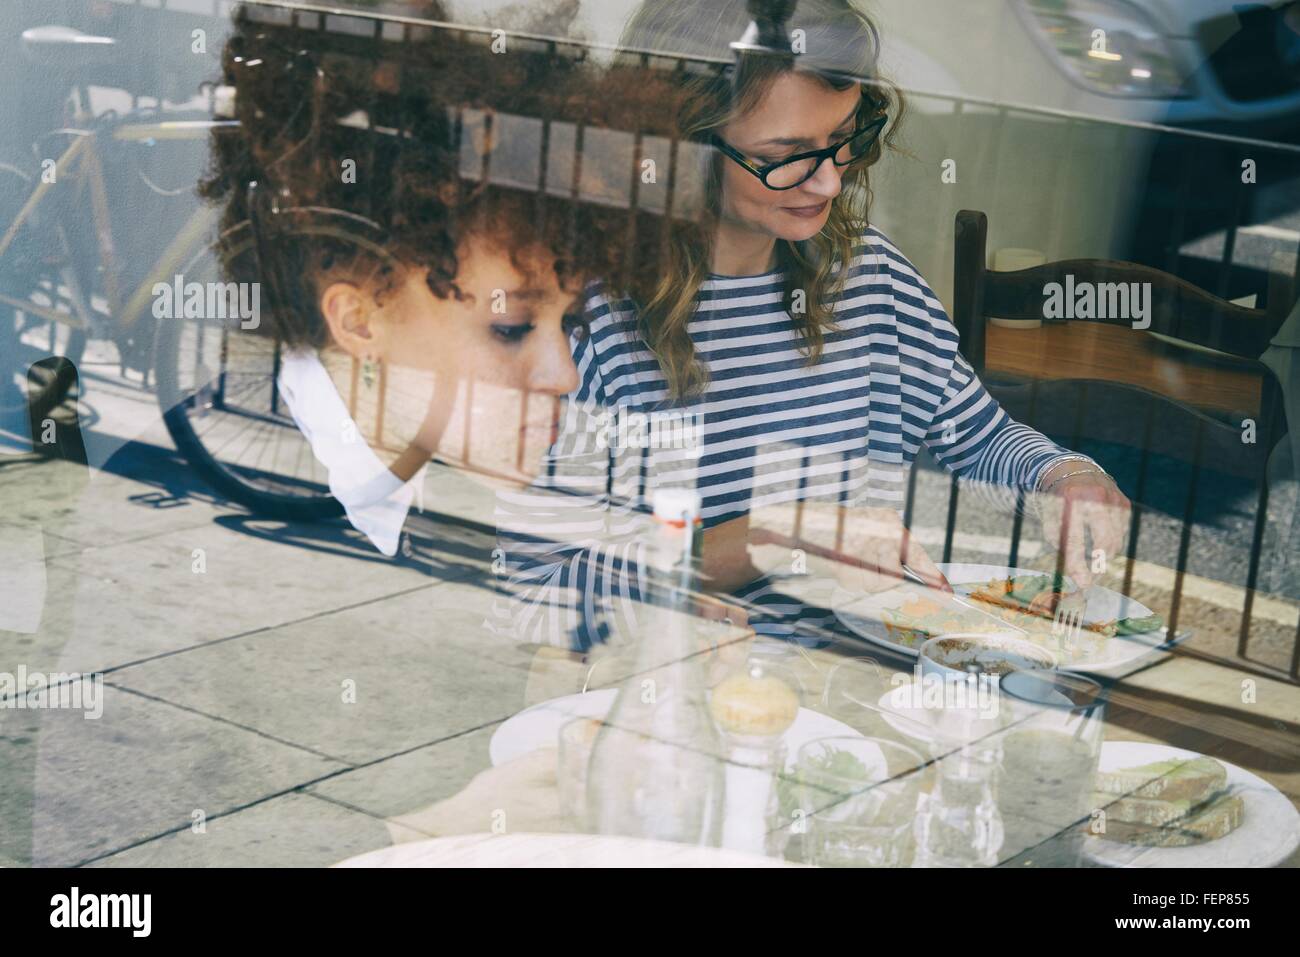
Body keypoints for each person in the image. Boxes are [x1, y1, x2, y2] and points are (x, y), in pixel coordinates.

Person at [493, 0, 1132, 651]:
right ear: (680, 147)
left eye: (844, 139)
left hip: (867, 688)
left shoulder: (870, 276)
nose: (828, 183)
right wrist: (775, 534)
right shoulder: (588, 323)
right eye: (787, 155)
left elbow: (978, 439)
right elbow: (542, 598)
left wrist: (1063, 478)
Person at [200, 0, 629, 554]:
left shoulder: (385, 470)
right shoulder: (306, 508)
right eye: (511, 327)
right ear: (357, 321)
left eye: (572, 321)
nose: (566, 375)